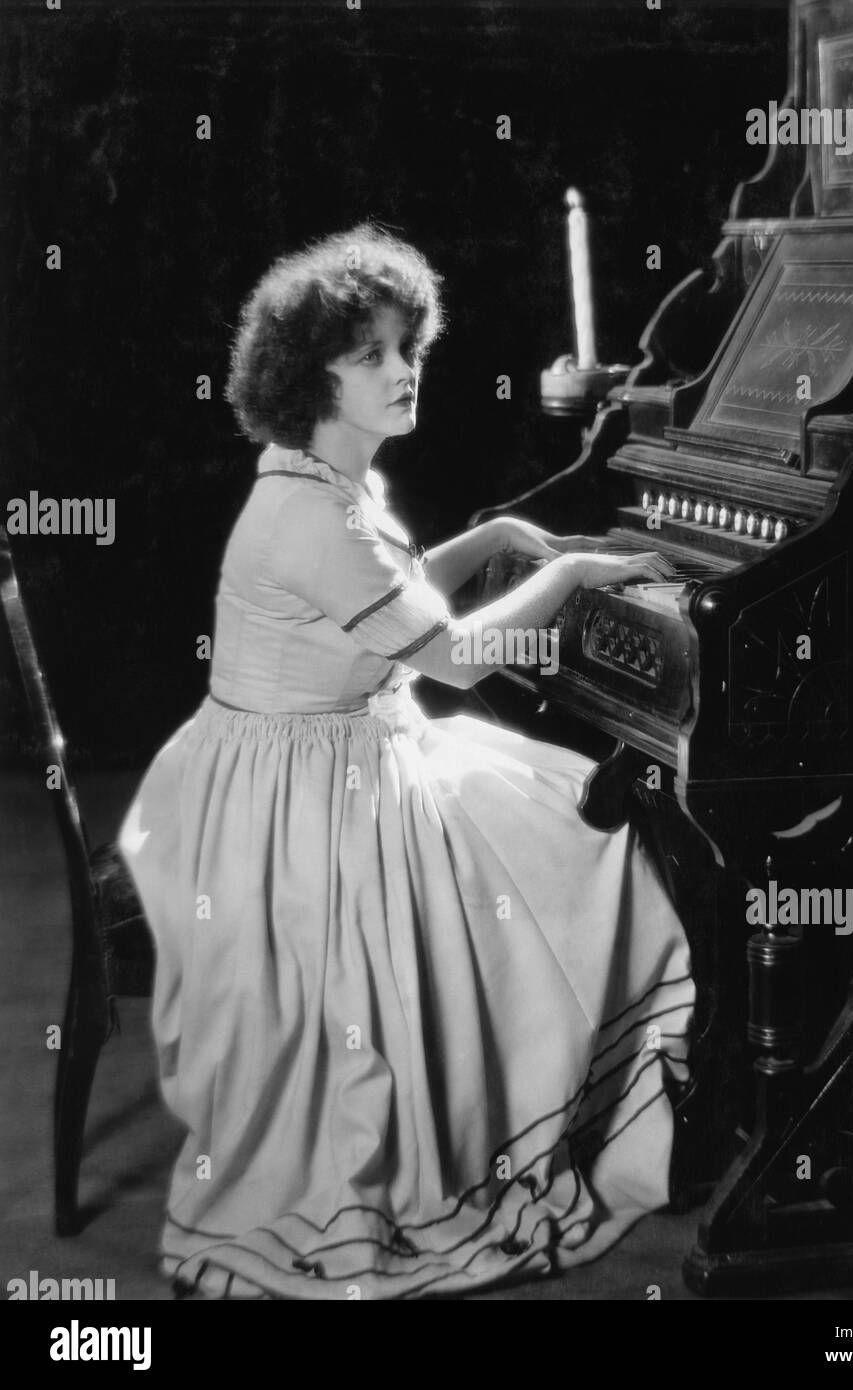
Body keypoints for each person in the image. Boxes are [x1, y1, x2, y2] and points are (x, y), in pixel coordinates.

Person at [119, 223, 695, 1299]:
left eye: (407, 351)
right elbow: (461, 659)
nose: (400, 372)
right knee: (578, 829)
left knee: (559, 801)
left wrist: (502, 540)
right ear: (307, 379)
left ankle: (589, 1082)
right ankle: (593, 1093)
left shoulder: (322, 481)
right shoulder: (307, 515)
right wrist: (570, 568)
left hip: (320, 754)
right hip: (291, 802)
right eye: (369, 356)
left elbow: (397, 588)